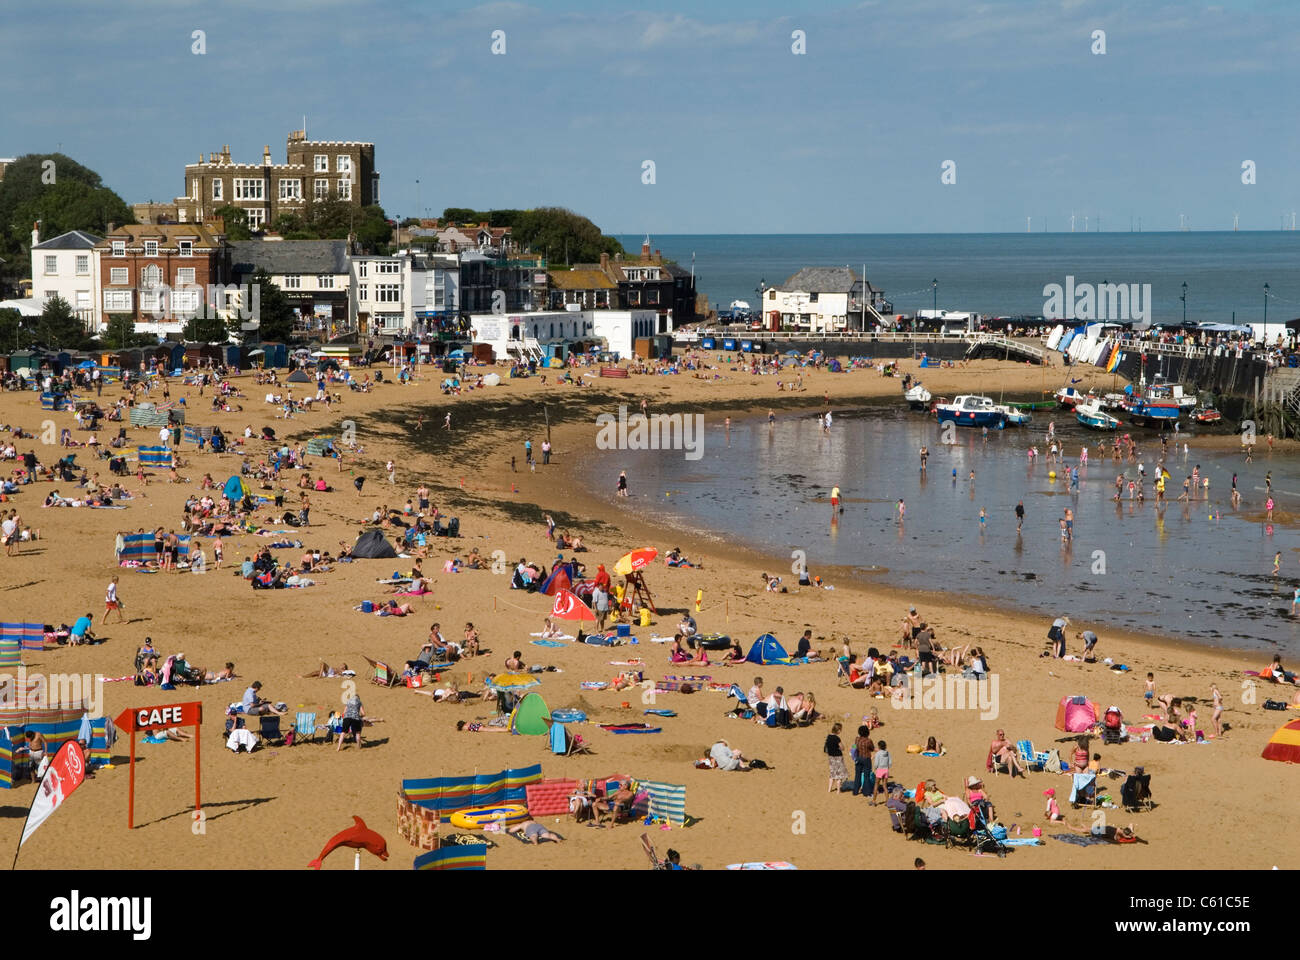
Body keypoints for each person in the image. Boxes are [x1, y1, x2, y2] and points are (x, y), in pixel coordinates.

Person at [852, 726, 875, 797]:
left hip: (858, 758)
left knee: (857, 775)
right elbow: (872, 749)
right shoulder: (868, 741)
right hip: (866, 759)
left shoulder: (857, 739)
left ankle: (855, 791)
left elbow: (854, 747)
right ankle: (866, 792)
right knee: (866, 775)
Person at [824, 723, 847, 792]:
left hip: (831, 757)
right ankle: (838, 790)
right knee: (839, 775)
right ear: (838, 730)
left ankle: (829, 789)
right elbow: (842, 747)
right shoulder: (837, 738)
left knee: (832, 773)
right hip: (838, 757)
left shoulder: (828, 736)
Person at [869, 740, 891, 804]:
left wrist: (875, 769)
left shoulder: (878, 753)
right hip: (886, 770)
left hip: (880, 770)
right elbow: (890, 763)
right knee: (885, 786)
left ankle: (874, 800)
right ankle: (887, 800)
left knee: (876, 785)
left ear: (879, 746)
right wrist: (887, 768)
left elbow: (876, 763)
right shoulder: (887, 753)